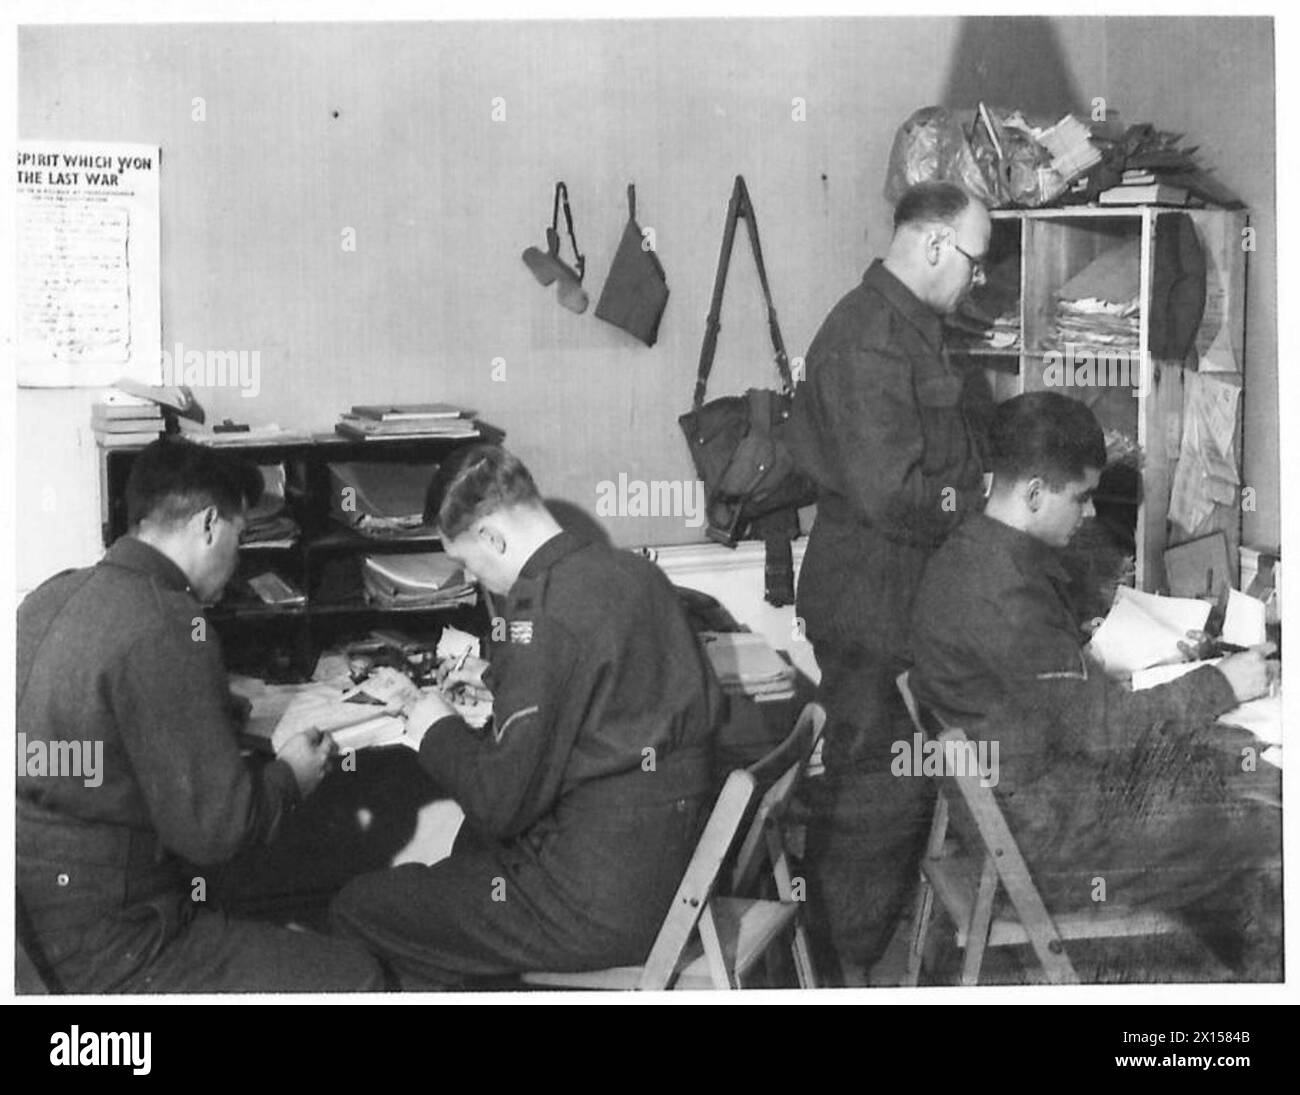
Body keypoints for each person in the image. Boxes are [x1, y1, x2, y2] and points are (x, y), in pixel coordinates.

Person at [911, 392, 1281, 974]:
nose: (1087, 515)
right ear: (1034, 492)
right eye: (1080, 497)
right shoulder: (1008, 594)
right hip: (1050, 843)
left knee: (1224, 771)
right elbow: (1103, 731)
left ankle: (1226, 959)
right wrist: (1223, 685)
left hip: (1024, 806)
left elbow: (1045, 683)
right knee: (1265, 820)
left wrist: (1112, 665)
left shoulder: (967, 555)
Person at [330, 444, 725, 988]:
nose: (473, 579)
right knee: (466, 856)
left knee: (361, 905)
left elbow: (499, 806)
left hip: (596, 907)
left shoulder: (539, 620)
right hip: (670, 872)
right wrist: (503, 686)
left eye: (468, 563)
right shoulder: (636, 574)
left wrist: (431, 725)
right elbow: (612, 697)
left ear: (492, 537)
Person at [17, 437, 382, 993]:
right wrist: (291, 778)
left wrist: (204, 711)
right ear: (210, 525)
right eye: (240, 535)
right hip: (122, 946)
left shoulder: (51, 596)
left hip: (28, 930)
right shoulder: (168, 622)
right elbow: (218, 834)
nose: (238, 560)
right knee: (358, 977)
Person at [785, 180, 992, 980]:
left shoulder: (911, 328)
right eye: (974, 261)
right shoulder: (870, 338)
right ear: (935, 244)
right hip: (873, 605)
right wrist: (984, 503)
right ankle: (842, 975)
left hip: (895, 597)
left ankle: (851, 963)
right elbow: (890, 491)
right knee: (879, 800)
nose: (977, 281)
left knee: (886, 792)